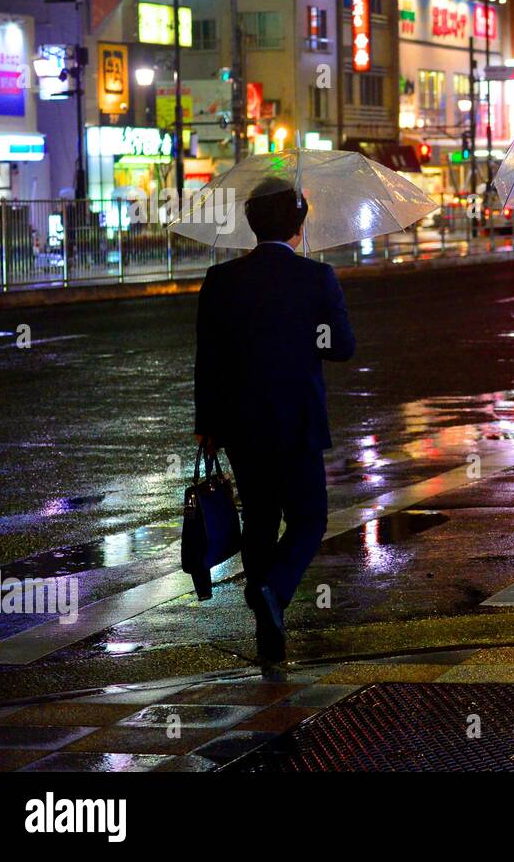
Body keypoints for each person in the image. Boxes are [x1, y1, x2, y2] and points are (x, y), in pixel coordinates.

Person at [194, 180, 356, 664]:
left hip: (240, 424)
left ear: (250, 222)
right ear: (299, 225)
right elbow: (342, 347)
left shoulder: (220, 281)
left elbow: (208, 360)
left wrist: (206, 425)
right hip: (298, 421)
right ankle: (273, 593)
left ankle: (268, 635)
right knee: (309, 518)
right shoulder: (318, 277)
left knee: (259, 520)